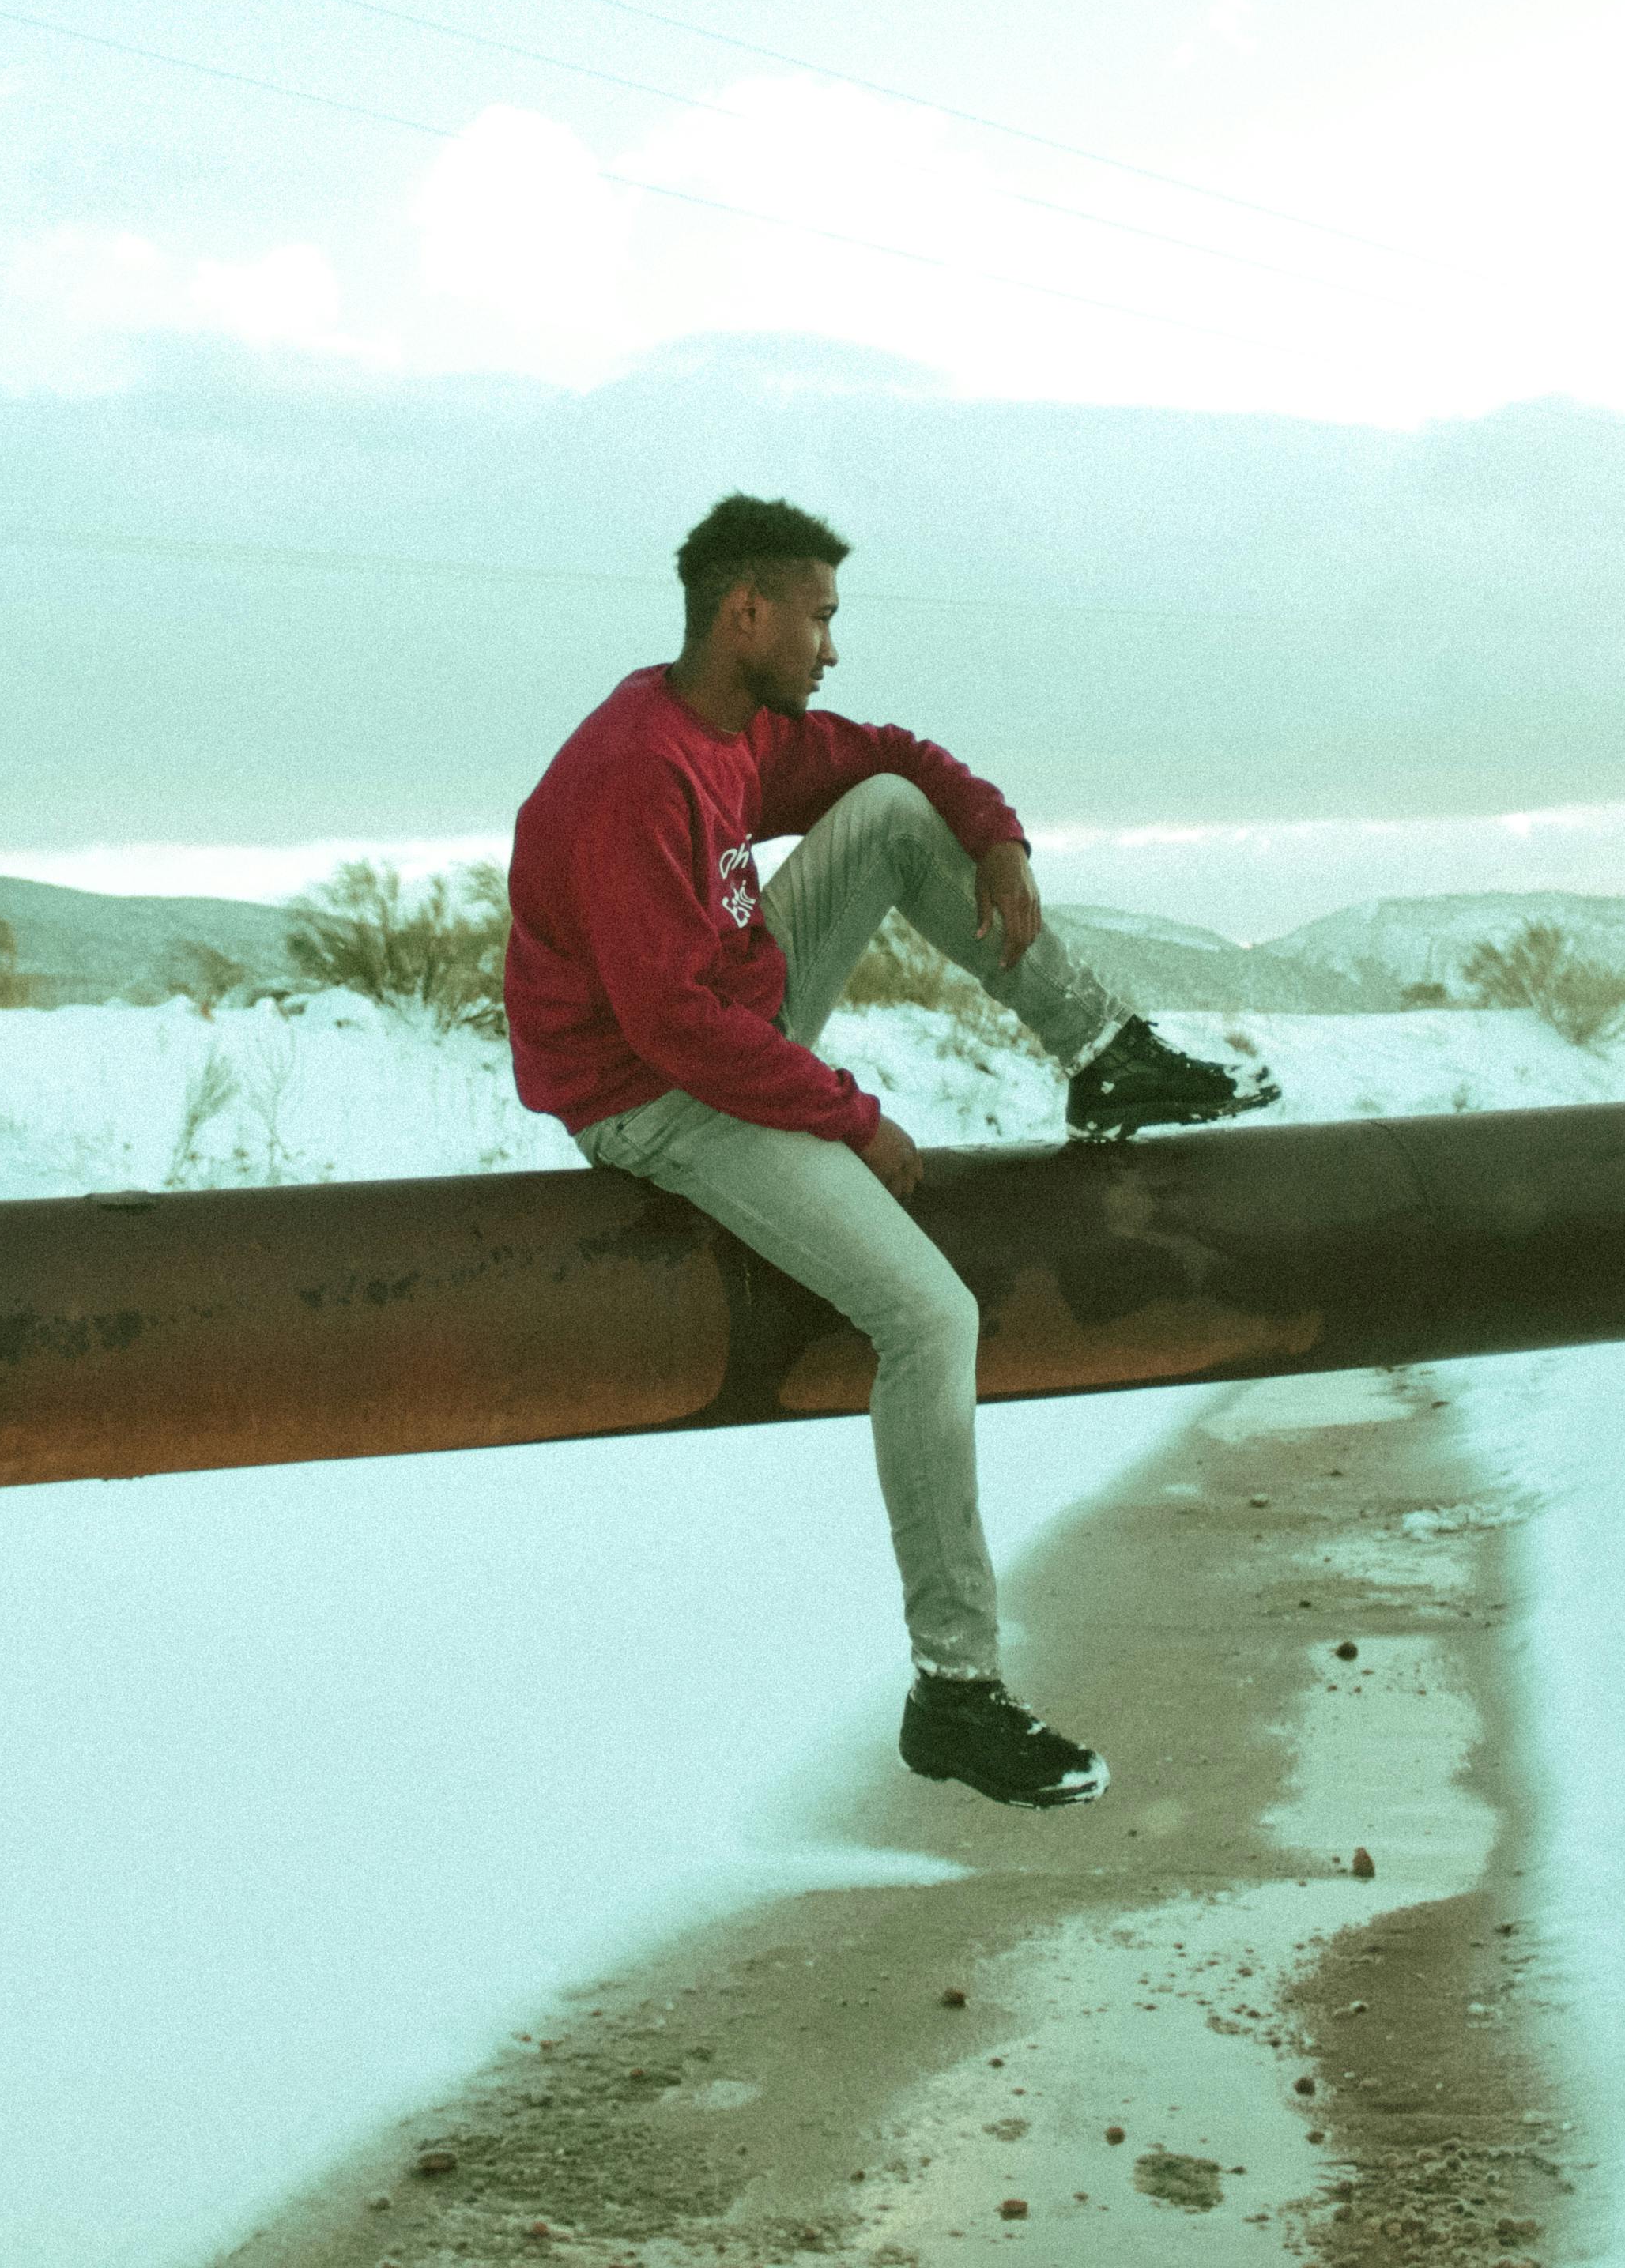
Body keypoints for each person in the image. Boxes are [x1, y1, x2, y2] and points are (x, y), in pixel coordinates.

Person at [502, 494, 1278, 1810]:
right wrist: (850, 1118)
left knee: (888, 808)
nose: (831, 649)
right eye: (819, 617)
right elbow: (669, 1021)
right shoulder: (635, 771)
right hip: (649, 1094)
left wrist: (996, 835)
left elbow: (900, 758)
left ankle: (1100, 1052)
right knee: (930, 1317)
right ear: (744, 611)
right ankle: (957, 1691)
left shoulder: (736, 729)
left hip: (725, 1019)